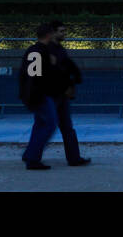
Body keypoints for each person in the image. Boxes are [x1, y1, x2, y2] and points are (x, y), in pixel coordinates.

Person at [19, 19, 90, 170]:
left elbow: (37, 75)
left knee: (46, 125)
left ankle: (31, 156)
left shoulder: (41, 50)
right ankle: (32, 157)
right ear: (50, 34)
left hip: (48, 93)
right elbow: (41, 75)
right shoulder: (43, 51)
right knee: (50, 124)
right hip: (47, 94)